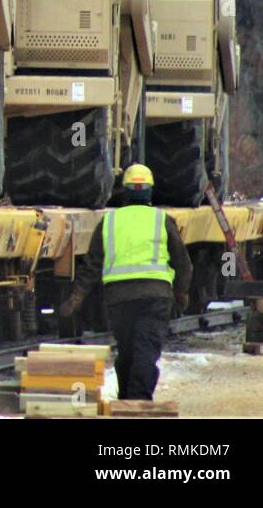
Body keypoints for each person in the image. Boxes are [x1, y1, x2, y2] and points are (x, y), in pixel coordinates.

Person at [57, 163, 192, 400]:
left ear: (125, 191)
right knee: (146, 349)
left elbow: (91, 266)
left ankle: (127, 400)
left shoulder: (109, 222)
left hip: (119, 298)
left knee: (127, 352)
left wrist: (75, 299)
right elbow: (183, 263)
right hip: (155, 296)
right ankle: (138, 403)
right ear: (150, 190)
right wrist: (181, 295)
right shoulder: (162, 220)